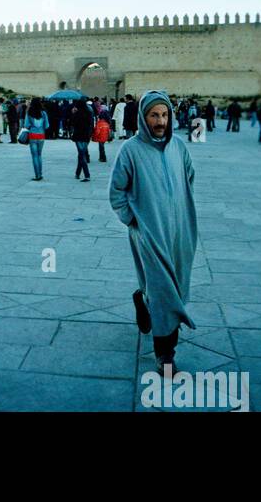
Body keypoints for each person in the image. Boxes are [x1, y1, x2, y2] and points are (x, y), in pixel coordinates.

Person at [109, 90, 199, 373]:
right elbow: (116, 192)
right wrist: (133, 221)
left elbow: (189, 177)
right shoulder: (131, 150)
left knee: (177, 286)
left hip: (180, 234)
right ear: (143, 117)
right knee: (164, 291)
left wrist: (179, 209)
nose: (160, 121)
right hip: (149, 234)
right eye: (154, 115)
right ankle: (165, 354)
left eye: (164, 114)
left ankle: (142, 298)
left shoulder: (179, 147)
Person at [23, 98, 49, 181]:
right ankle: (40, 173)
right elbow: (47, 126)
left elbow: (26, 125)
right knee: (39, 155)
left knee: (34, 156)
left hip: (32, 135)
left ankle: (37, 175)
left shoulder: (29, 112)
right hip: (41, 135)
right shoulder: (43, 113)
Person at [70, 103, 93, 181]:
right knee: (81, 154)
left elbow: (72, 123)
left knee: (81, 154)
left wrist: (73, 113)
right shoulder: (89, 113)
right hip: (86, 136)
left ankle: (87, 175)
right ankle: (77, 173)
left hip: (78, 135)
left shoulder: (77, 114)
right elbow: (91, 124)